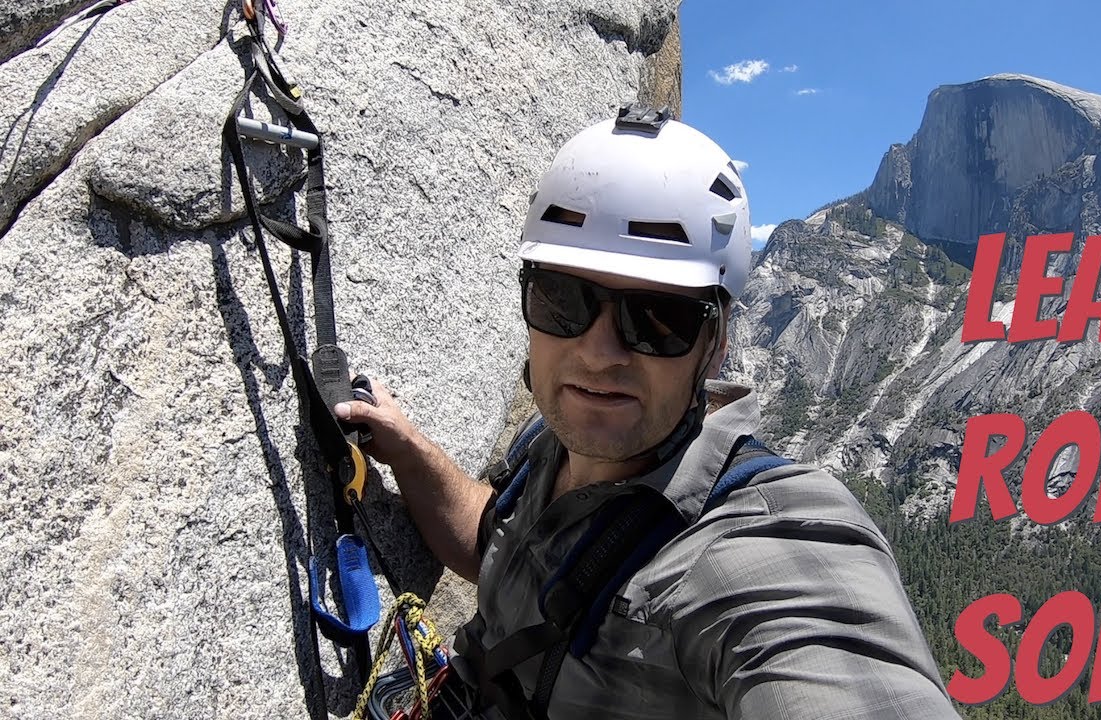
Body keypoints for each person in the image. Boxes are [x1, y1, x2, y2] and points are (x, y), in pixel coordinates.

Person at [336, 106, 959, 719]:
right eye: (562, 299)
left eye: (658, 317)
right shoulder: (550, 444)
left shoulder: (762, 537)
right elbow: (498, 546)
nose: (598, 352)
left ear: (716, 342)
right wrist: (410, 451)